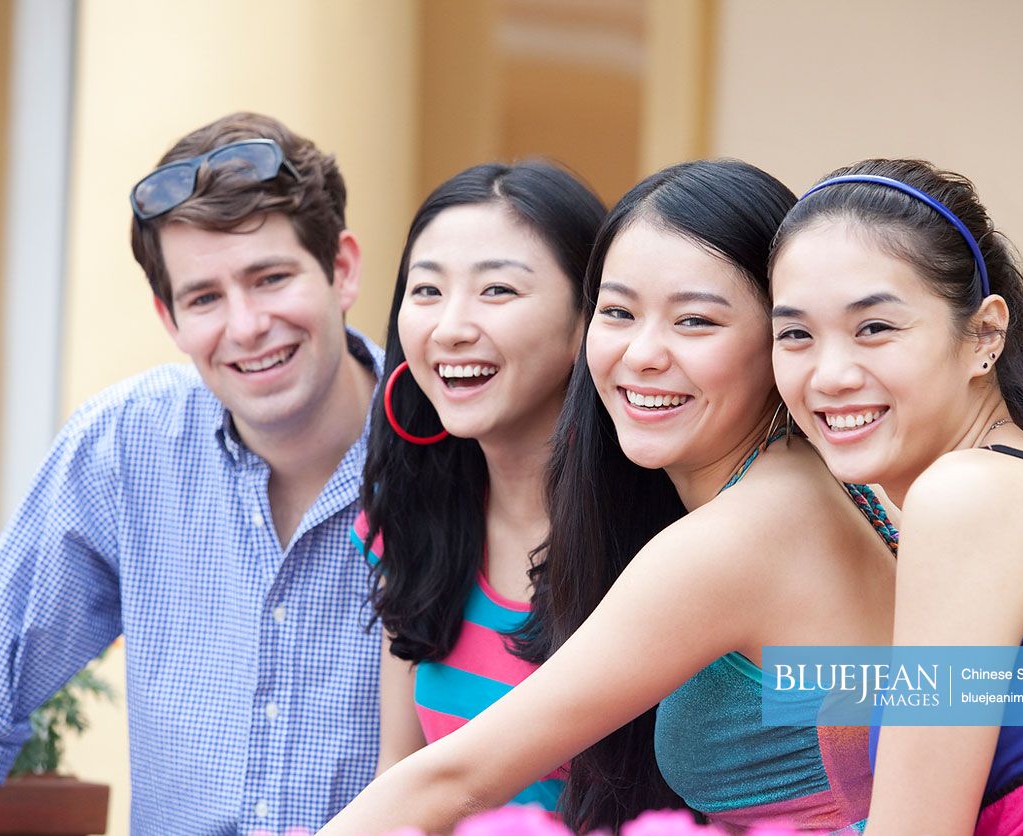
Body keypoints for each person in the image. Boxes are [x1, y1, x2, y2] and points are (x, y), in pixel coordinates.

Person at [320, 159, 898, 836]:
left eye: (694, 321)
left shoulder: (742, 533)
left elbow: (458, 778)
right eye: (619, 312)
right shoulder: (800, 489)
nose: (642, 353)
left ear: (780, 337)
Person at [0, 113, 383, 835]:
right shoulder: (122, 449)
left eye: (270, 278)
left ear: (342, 268)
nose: (246, 325)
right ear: (168, 318)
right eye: (204, 298)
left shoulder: (454, 450)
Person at [766, 158, 1023, 834]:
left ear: (984, 334)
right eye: (795, 335)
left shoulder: (970, 498)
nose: (829, 374)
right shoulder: (1010, 482)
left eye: (874, 328)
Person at [356, 161, 604, 810]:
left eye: (496, 290)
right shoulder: (409, 523)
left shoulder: (665, 539)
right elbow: (401, 779)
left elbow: (881, 709)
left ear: (589, 321)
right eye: (427, 291)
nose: (450, 327)